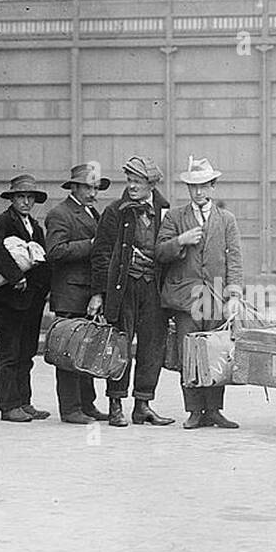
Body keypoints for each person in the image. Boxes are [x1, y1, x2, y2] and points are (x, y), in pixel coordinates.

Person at [155, 156, 244, 430]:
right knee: (189, 355)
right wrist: (180, 241)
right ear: (188, 189)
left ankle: (214, 410)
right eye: (194, 187)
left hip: (216, 299)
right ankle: (194, 411)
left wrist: (234, 296)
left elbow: (235, 260)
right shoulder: (174, 216)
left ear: (213, 186)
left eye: (204, 186)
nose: (199, 192)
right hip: (185, 299)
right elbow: (159, 252)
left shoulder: (226, 219)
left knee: (216, 354)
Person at [89, 156, 175, 427]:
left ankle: (143, 405)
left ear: (151, 184)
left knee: (152, 347)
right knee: (118, 346)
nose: (132, 186)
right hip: (123, 289)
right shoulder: (115, 211)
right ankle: (115, 403)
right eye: (129, 181)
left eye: (138, 182)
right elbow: (101, 254)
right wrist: (99, 292)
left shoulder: (165, 211)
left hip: (154, 290)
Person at [0, 174, 53, 423]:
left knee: (26, 352)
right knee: (8, 352)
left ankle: (24, 401)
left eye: (29, 197)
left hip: (32, 301)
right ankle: (9, 405)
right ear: (12, 199)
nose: (25, 201)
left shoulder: (35, 225)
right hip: (8, 300)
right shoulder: (2, 222)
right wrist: (14, 276)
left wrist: (44, 290)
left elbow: (43, 259)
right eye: (20, 197)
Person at [45, 163, 110, 425]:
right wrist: (92, 245)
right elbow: (55, 251)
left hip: (86, 295)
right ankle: (70, 409)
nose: (94, 193)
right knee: (69, 353)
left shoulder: (91, 212)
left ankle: (87, 404)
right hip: (70, 294)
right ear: (74, 187)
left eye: (96, 188)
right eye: (88, 188)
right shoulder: (60, 214)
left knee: (87, 351)